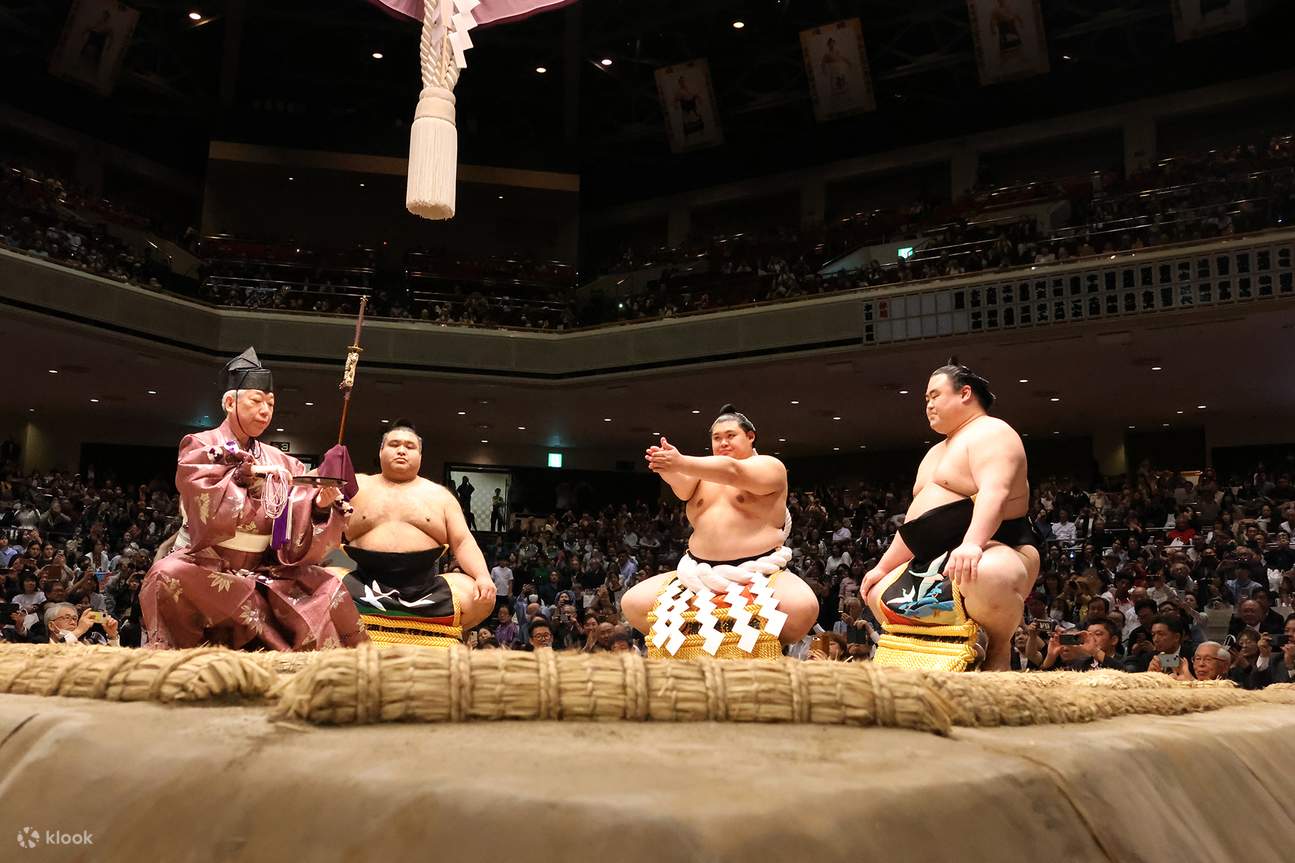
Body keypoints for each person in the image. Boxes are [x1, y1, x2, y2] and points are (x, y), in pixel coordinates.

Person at [141, 348, 366, 650]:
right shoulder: (200, 444)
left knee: (328, 585)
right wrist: (245, 476)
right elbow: (200, 488)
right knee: (165, 575)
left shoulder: (283, 462)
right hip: (208, 566)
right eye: (256, 401)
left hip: (267, 571)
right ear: (230, 402)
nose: (265, 410)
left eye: (270, 404)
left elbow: (301, 498)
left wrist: (319, 504)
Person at [862, 364, 1042, 671]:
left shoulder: (992, 432)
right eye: (925, 399)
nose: (928, 405)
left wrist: (973, 543)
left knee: (986, 574)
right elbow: (916, 524)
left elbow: (994, 493)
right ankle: (943, 659)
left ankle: (999, 653)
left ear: (965, 393)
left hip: (996, 544)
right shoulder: (934, 452)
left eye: (935, 395)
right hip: (932, 556)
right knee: (877, 590)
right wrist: (882, 566)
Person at [622, 405, 819, 658]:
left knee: (801, 607)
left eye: (730, 435)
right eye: (717, 438)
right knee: (633, 602)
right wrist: (669, 469)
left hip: (755, 574)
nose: (723, 442)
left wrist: (682, 461)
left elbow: (733, 471)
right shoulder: (701, 475)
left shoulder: (770, 467)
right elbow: (682, 488)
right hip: (698, 575)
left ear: (751, 436)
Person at [342, 420, 496, 646]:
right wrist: (328, 474)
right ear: (381, 450)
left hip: (424, 589)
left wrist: (483, 576)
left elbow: (462, 542)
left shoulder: (440, 495)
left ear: (421, 456)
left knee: (479, 595)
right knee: (320, 585)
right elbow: (316, 503)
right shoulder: (356, 486)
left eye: (410, 446)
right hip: (364, 583)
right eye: (394, 444)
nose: (402, 450)